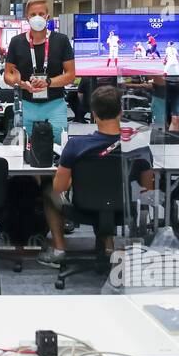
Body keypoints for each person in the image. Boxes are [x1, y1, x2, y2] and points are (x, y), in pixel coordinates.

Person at [38, 86, 156, 268]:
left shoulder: (75, 145)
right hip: (123, 210)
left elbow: (59, 188)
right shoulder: (138, 145)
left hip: (83, 208)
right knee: (110, 194)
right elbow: (148, 189)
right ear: (121, 112)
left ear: (93, 114)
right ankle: (109, 246)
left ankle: (59, 249)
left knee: (48, 190)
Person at [4, 0, 76, 143]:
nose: (37, 17)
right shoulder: (16, 42)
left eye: (41, 14)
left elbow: (70, 75)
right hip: (26, 106)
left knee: (57, 150)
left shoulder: (61, 40)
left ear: (47, 16)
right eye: (33, 14)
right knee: (24, 151)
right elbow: (7, 75)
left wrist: (47, 82)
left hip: (54, 106)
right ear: (27, 17)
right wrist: (20, 83)